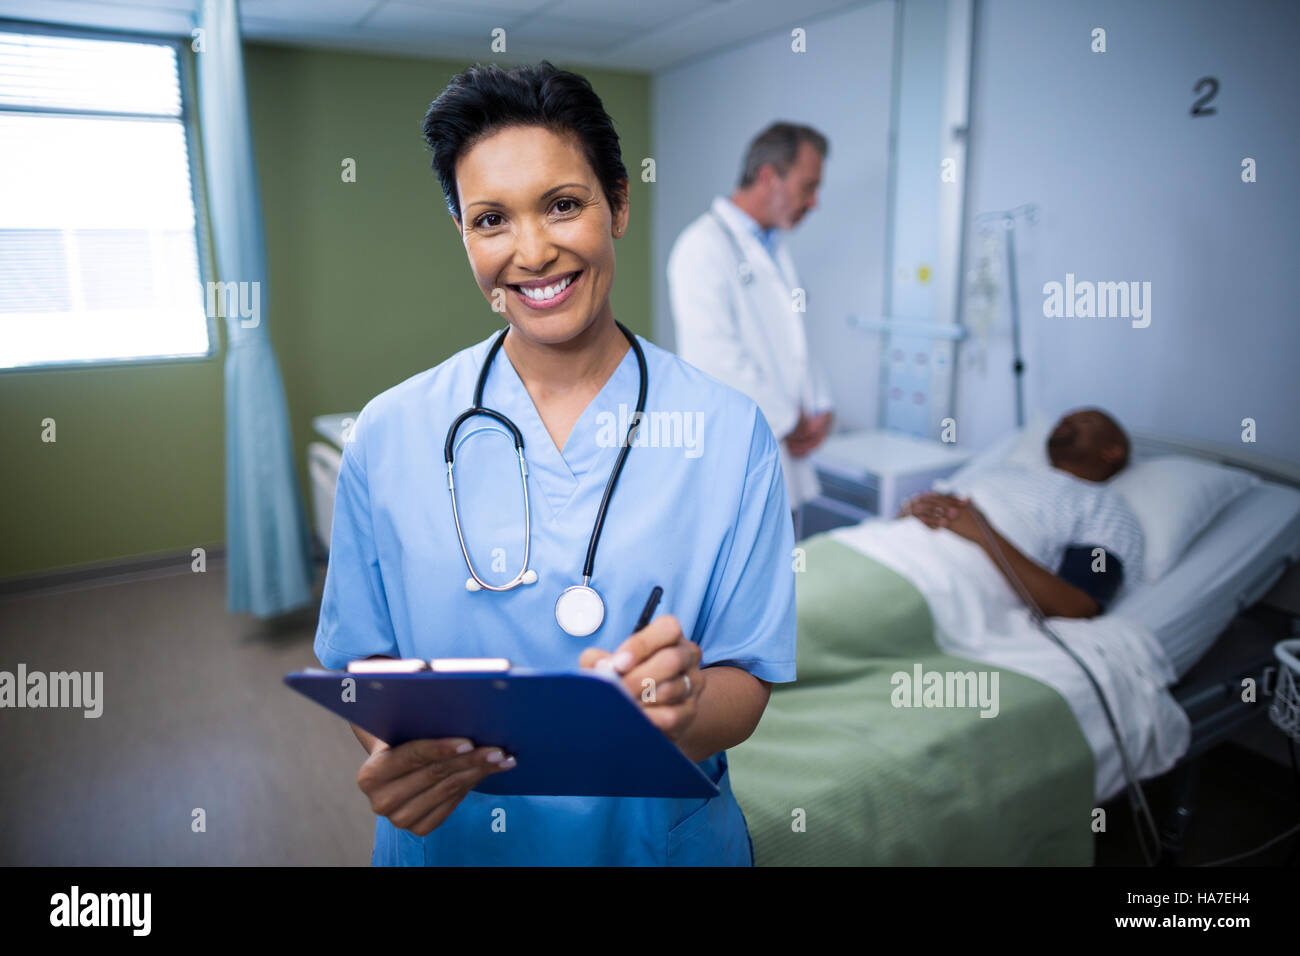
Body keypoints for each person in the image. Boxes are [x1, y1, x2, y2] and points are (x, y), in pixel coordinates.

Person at [313, 61, 797, 866]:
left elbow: (746, 678)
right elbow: (364, 661)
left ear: (619, 203)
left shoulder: (729, 434)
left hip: (655, 843)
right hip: (456, 840)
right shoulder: (390, 433)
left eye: (563, 205)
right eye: (490, 220)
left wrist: (685, 700)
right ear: (463, 236)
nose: (532, 252)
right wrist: (405, 754)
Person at [667, 122, 835, 520]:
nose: (814, 202)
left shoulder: (773, 247)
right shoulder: (701, 247)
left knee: (787, 570)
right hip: (738, 457)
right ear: (767, 177)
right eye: (808, 187)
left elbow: (794, 343)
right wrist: (789, 421)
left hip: (784, 452)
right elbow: (715, 359)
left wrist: (821, 403)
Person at [900, 408, 1143, 619]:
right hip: (894, 547)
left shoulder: (1105, 508)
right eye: (1065, 417)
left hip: (947, 578)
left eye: (1086, 420)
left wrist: (984, 534)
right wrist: (908, 512)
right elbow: (934, 506)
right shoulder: (1001, 472)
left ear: (1113, 451)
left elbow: (1078, 605)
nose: (1066, 419)